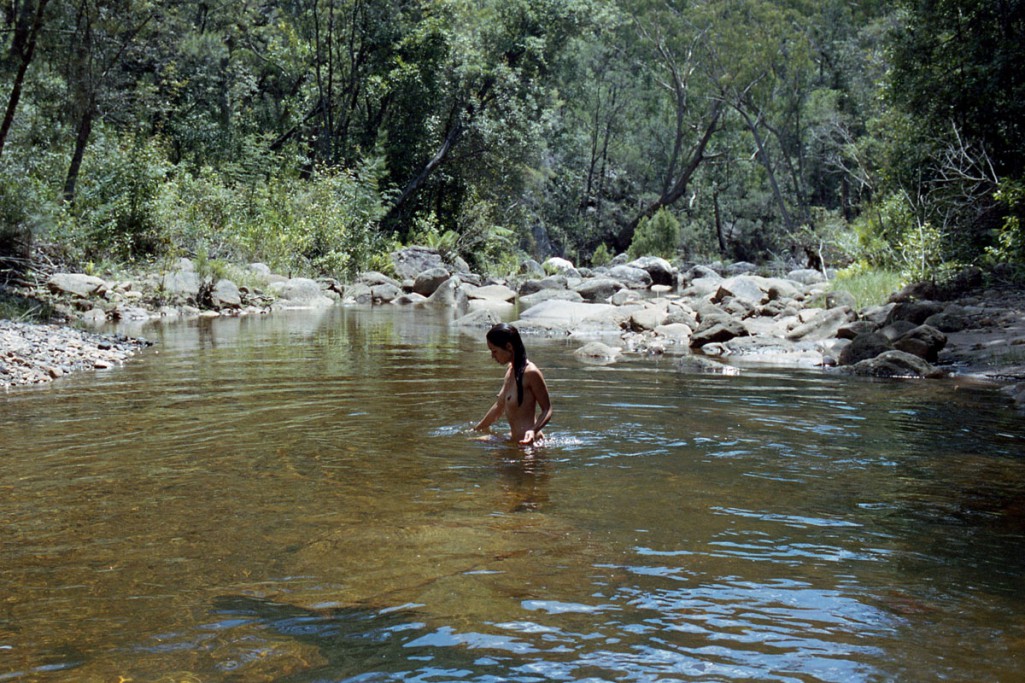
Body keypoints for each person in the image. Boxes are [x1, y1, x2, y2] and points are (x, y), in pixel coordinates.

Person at [474, 323, 552, 445]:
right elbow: (499, 407)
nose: (492, 356)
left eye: (494, 351)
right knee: (473, 441)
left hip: (531, 445)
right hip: (515, 441)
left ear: (509, 346)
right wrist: (477, 429)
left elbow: (547, 410)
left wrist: (533, 431)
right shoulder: (510, 370)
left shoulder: (531, 372)